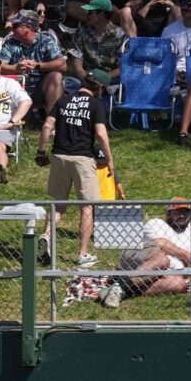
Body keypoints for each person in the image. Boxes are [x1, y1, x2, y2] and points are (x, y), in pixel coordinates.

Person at [40, 68, 114, 267]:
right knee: (87, 207)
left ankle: (46, 236)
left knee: (58, 203)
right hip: (82, 158)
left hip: (59, 155)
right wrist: (109, 159)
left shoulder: (63, 100)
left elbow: (47, 126)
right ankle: (82, 254)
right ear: (98, 87)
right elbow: (100, 133)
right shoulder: (96, 104)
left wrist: (41, 151)